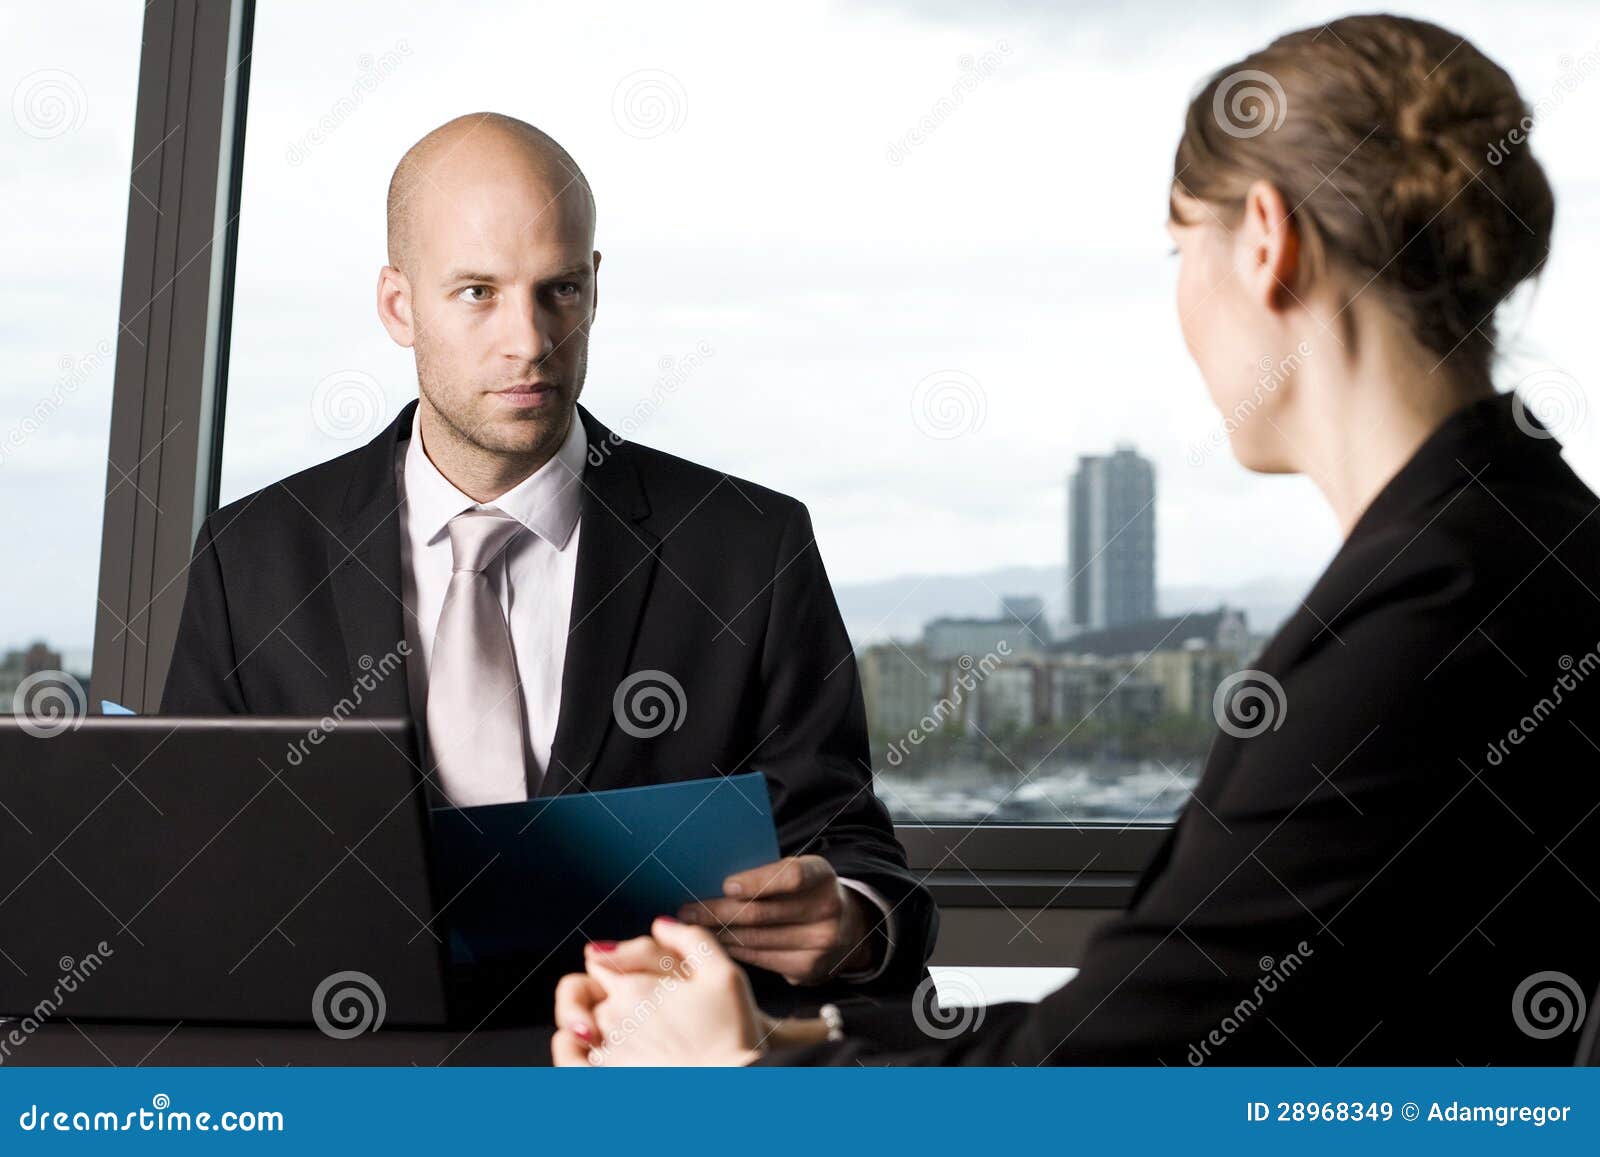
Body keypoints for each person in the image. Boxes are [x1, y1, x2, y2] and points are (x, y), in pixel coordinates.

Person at [551, 14, 1600, 1065]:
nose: (1182, 296)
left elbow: (1121, 1075)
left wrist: (741, 1070)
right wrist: (787, 1039)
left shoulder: (1420, 624)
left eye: (1182, 248)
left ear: (1267, 241)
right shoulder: (1530, 547)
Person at [161, 113, 936, 998]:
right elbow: (192, 869)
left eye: (558, 290)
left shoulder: (748, 547)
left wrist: (853, 918)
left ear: (595, 288)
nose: (528, 342)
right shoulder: (251, 554)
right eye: (477, 292)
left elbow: (851, 851)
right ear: (399, 306)